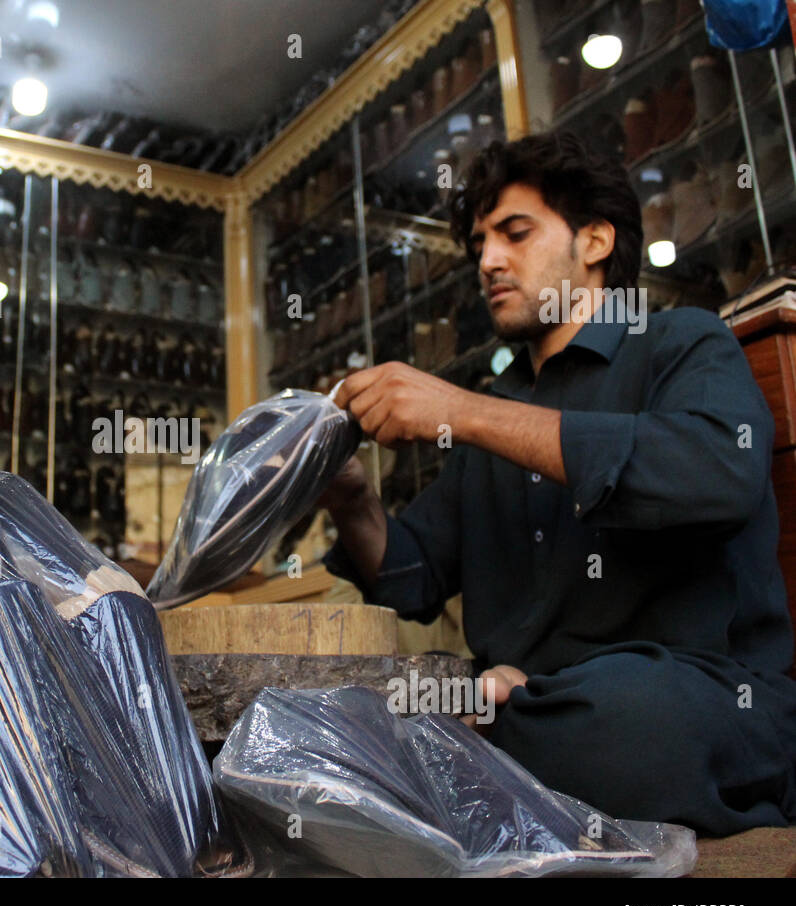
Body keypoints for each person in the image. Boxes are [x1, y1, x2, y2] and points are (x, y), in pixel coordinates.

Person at [321, 130, 796, 835]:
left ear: (596, 240)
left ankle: (480, 751)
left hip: (690, 704)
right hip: (522, 710)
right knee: (363, 713)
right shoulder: (498, 406)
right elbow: (408, 575)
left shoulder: (681, 342)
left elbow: (718, 471)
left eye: (514, 233)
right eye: (479, 243)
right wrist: (353, 497)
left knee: (627, 723)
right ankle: (489, 743)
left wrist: (463, 410)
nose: (488, 261)